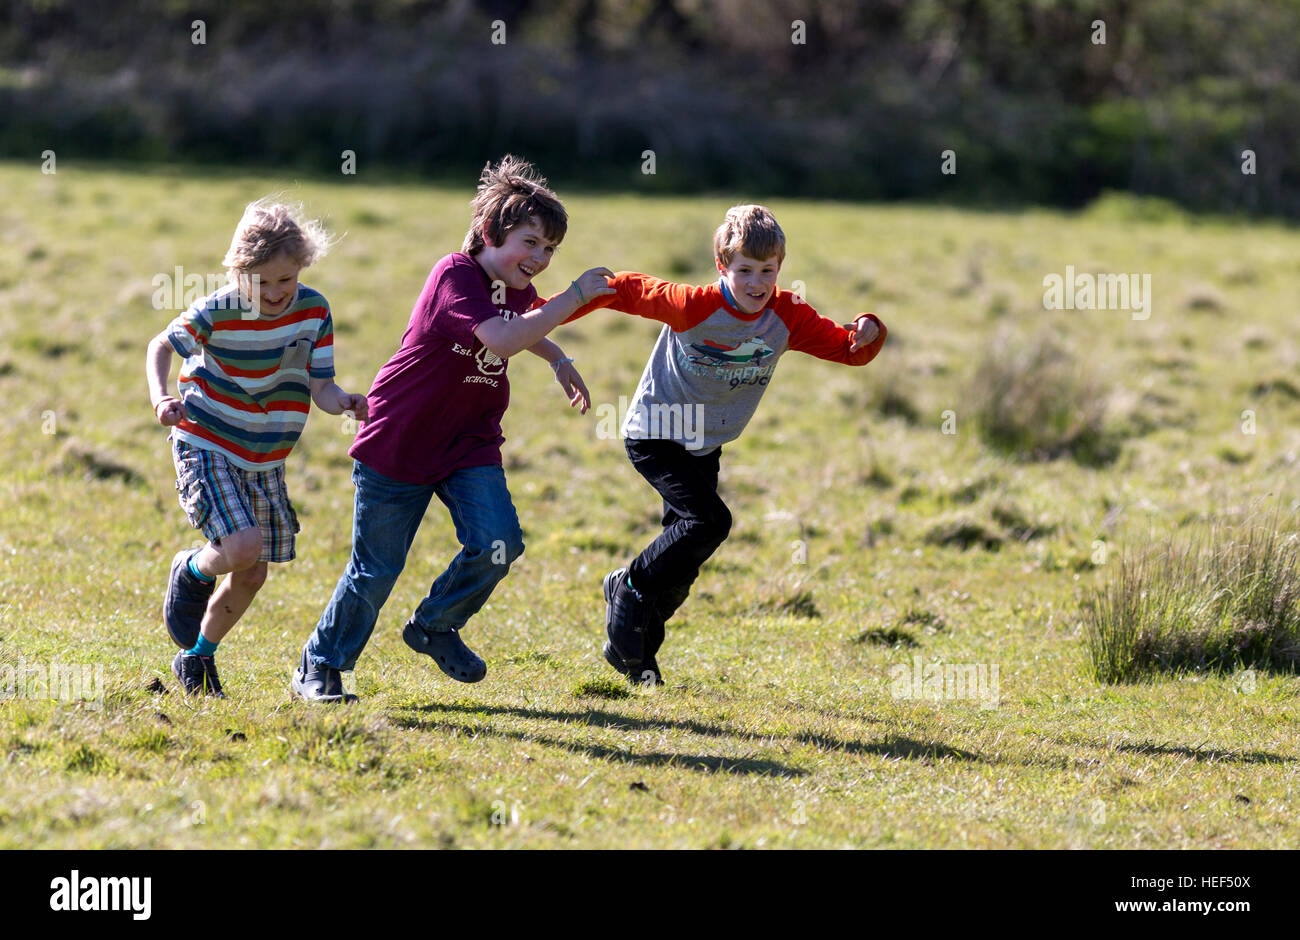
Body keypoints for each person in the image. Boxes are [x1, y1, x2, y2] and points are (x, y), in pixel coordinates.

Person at [293, 155, 614, 703]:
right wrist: (575, 297)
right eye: (530, 243)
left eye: (550, 250)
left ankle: (435, 625)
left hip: (469, 445)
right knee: (375, 571)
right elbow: (501, 338)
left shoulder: (512, 287)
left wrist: (557, 355)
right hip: (399, 442)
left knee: (498, 544)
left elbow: (522, 323)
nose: (540, 258)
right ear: (489, 233)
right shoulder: (454, 275)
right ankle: (320, 667)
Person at [562, 204, 887, 686]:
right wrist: (549, 310)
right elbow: (628, 291)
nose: (757, 283)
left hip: (706, 444)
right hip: (655, 432)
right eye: (745, 271)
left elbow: (847, 349)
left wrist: (868, 329)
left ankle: (637, 659)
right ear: (722, 267)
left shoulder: (787, 317)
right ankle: (626, 586)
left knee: (682, 571)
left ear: (780, 268)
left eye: (768, 271)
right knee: (710, 521)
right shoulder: (693, 306)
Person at [146, 200, 368, 698]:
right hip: (207, 439)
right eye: (259, 282)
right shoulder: (219, 308)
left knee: (252, 574)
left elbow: (322, 387)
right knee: (241, 547)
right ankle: (191, 569)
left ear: (301, 267)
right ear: (238, 272)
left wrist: (347, 403)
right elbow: (160, 345)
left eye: (284, 280)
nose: (273, 293)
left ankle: (197, 657)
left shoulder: (314, 310)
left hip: (265, 458)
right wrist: (162, 396)